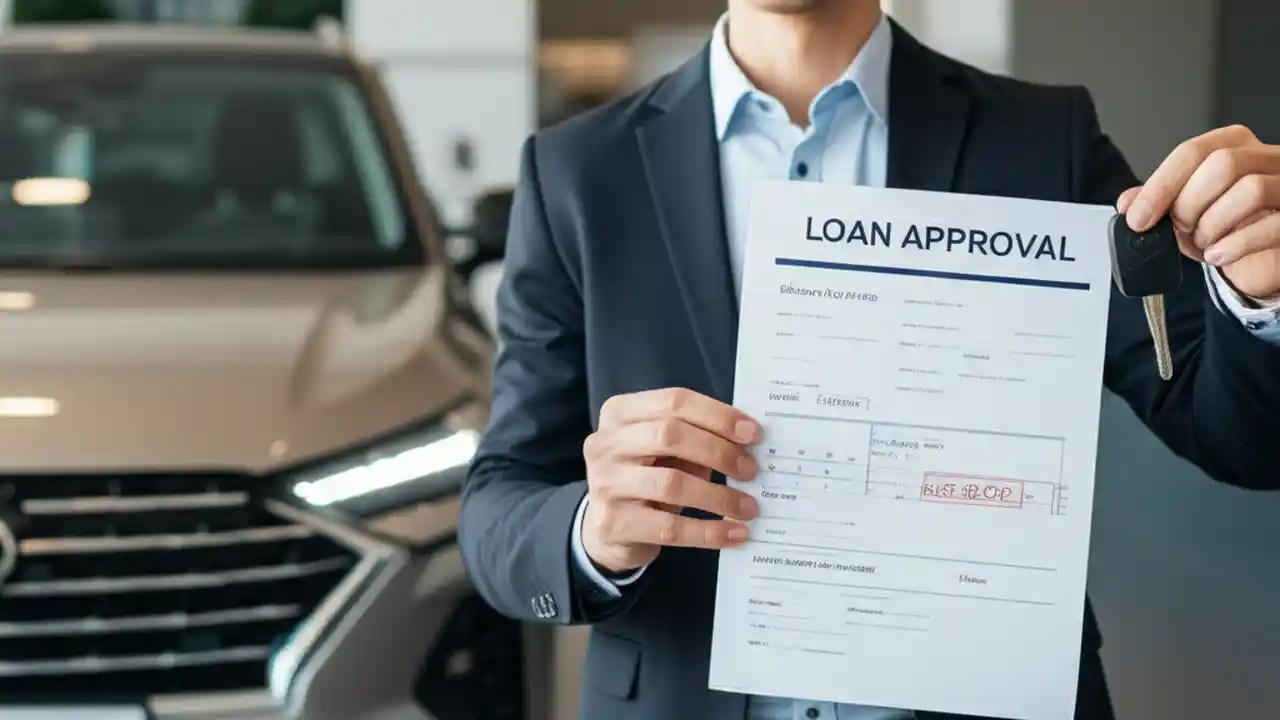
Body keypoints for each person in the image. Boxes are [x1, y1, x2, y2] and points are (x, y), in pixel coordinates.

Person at [460, 1, 1280, 718]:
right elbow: (498, 504)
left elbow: (1231, 431)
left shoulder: (1044, 140)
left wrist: (1260, 301)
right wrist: (590, 529)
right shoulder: (577, 173)